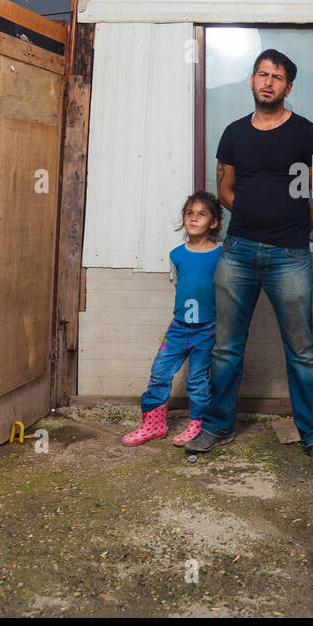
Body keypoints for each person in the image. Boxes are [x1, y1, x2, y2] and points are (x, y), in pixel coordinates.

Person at [185, 48, 313, 469]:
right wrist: (255, 220)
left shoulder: (308, 134)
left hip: (290, 256)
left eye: (278, 76)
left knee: (302, 350)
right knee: (226, 349)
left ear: (288, 86)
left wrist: (289, 230)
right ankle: (216, 425)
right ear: (252, 81)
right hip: (238, 253)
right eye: (262, 74)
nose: (268, 81)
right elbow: (227, 190)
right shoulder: (234, 133)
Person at [122, 191, 223, 447]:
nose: (193, 218)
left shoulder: (222, 254)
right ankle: (154, 425)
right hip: (178, 328)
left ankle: (197, 425)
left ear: (213, 222)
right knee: (159, 372)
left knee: (198, 380)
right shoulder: (176, 254)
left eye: (201, 214)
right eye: (189, 213)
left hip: (208, 329)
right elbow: (179, 285)